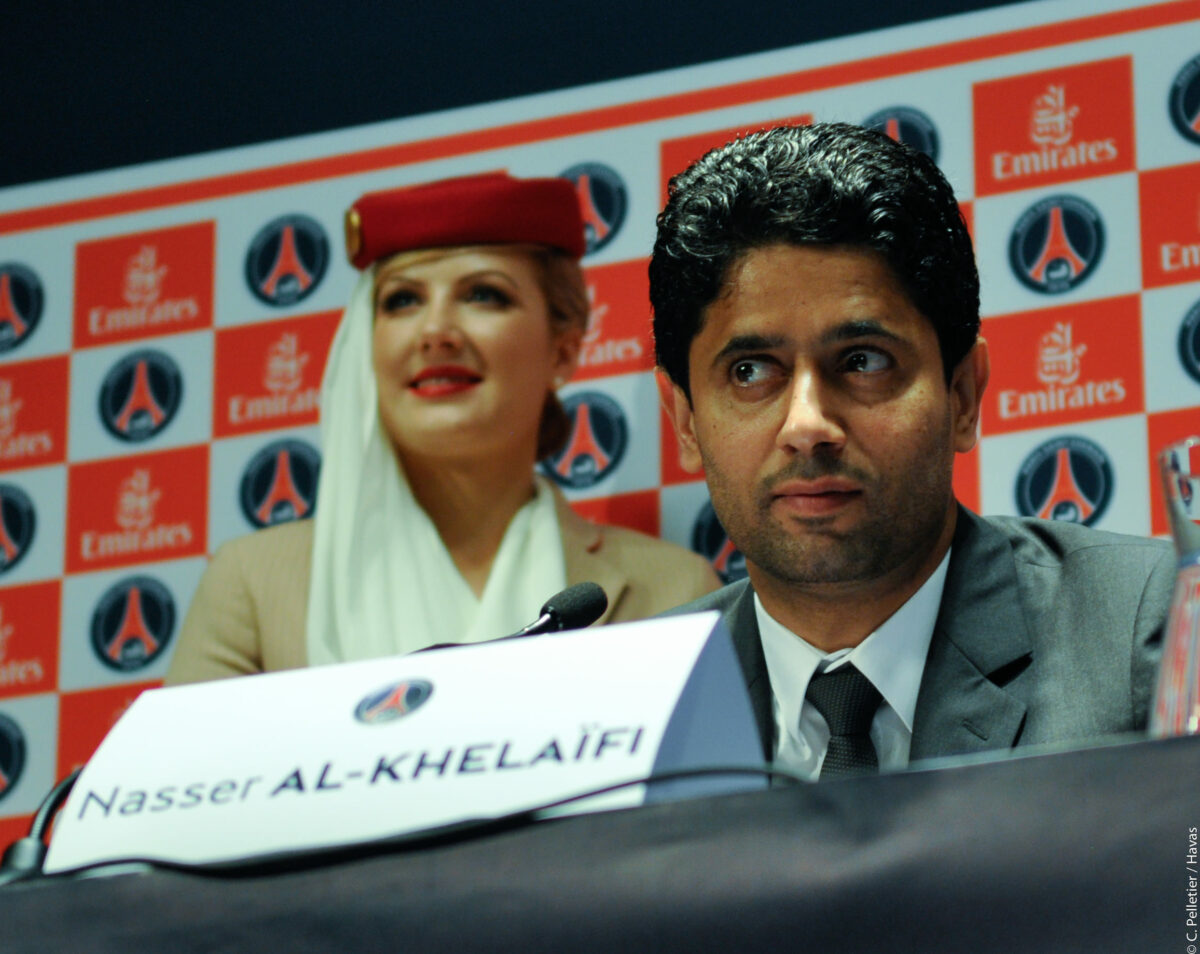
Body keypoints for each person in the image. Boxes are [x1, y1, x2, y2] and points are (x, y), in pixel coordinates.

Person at [650, 122, 1174, 777]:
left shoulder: (1157, 629)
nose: (807, 424)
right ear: (686, 421)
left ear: (962, 395)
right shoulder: (625, 707)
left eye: (863, 361)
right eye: (751, 371)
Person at [167, 171, 719, 683]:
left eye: (483, 294)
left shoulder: (672, 591)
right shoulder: (254, 585)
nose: (435, 332)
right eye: (402, 301)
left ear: (565, 346)